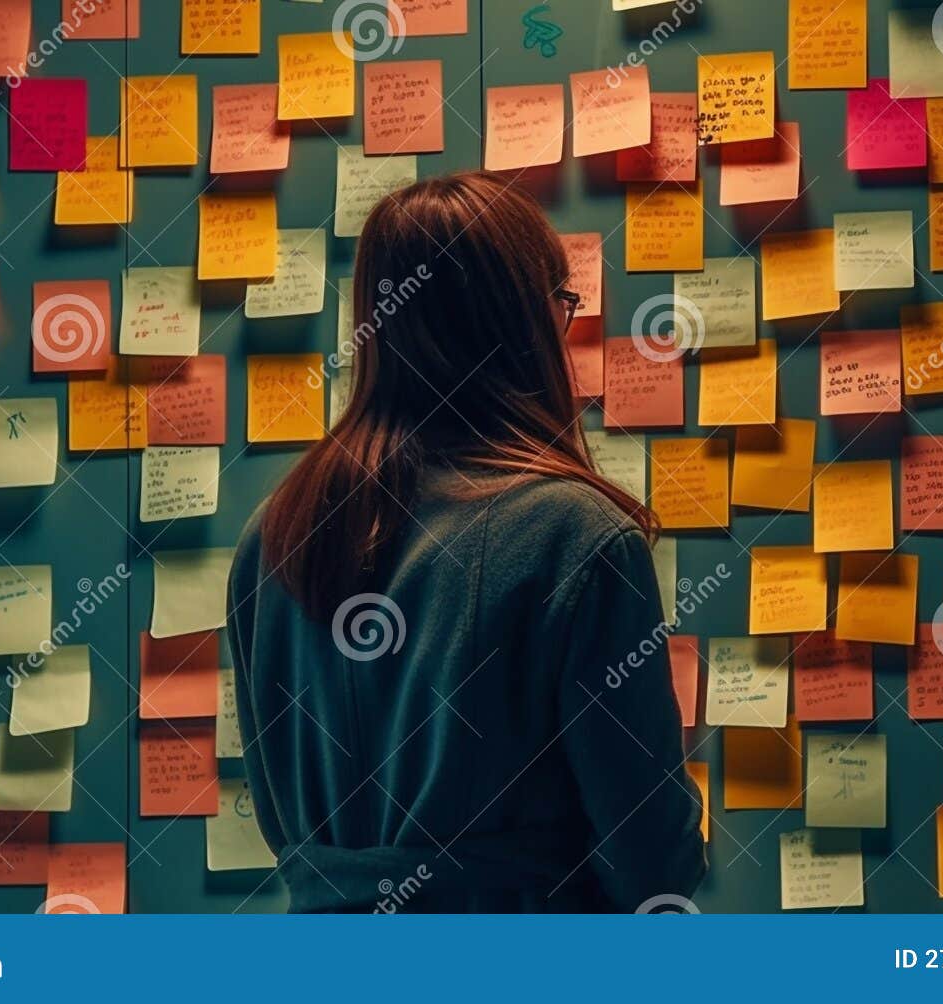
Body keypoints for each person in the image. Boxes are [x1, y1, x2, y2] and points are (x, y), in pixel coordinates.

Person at [229, 171, 705, 913]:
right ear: (523, 319)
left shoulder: (277, 530)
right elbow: (653, 858)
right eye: (563, 303)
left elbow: (278, 816)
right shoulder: (577, 533)